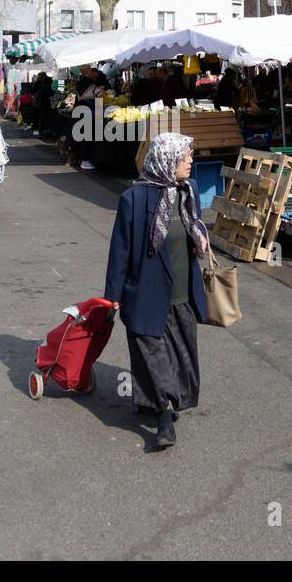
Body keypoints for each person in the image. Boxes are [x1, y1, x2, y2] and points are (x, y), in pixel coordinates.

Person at [104, 133, 210, 451]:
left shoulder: (187, 191)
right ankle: (164, 416)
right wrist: (113, 295)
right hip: (145, 294)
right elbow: (119, 251)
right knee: (153, 353)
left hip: (182, 294)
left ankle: (155, 401)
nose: (190, 161)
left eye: (190, 155)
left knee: (179, 356)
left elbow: (195, 224)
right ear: (166, 161)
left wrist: (200, 236)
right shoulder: (134, 200)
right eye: (184, 156)